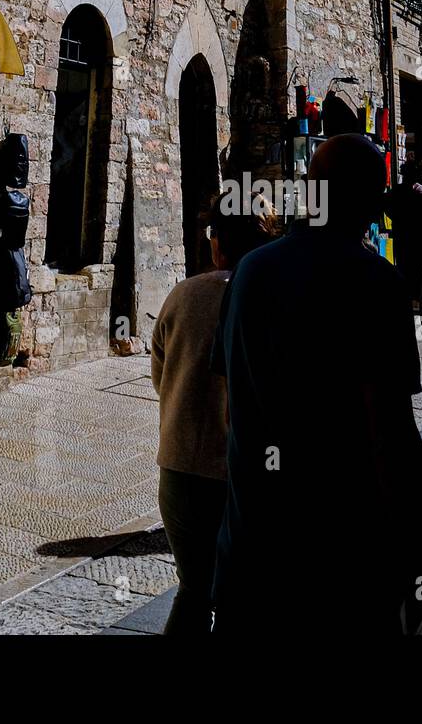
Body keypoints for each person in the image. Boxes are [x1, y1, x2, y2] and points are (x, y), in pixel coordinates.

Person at [211, 134, 422, 635]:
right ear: (372, 202)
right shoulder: (377, 284)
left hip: (253, 555)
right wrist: (420, 549)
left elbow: (230, 405)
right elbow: (389, 433)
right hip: (345, 565)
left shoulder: (250, 272)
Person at [151, 193, 276, 635]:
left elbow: (160, 375)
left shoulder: (184, 295)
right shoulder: (271, 295)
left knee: (194, 588)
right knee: (244, 594)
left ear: (217, 240)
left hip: (181, 466)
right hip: (245, 470)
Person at [383, 158, 422, 302]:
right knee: (418, 273)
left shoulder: (396, 191)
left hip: (402, 237)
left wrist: (397, 219)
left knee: (403, 268)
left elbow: (387, 208)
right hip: (419, 239)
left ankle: (406, 299)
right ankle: (416, 302)